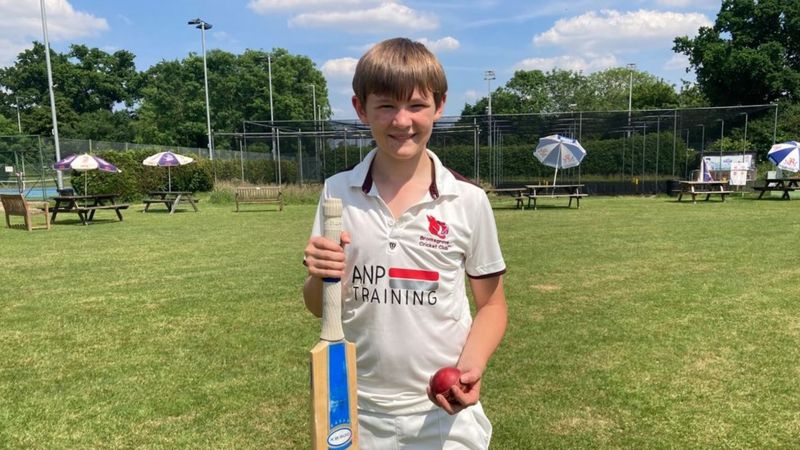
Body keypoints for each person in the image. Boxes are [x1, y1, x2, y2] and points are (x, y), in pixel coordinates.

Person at [303, 37, 507, 449]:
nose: (402, 121)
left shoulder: (468, 201)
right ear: (361, 109)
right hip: (358, 408)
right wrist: (320, 276)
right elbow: (319, 305)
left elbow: (492, 305)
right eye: (386, 106)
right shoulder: (337, 192)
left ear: (439, 105)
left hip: (443, 413)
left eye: (416, 105)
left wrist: (471, 366)